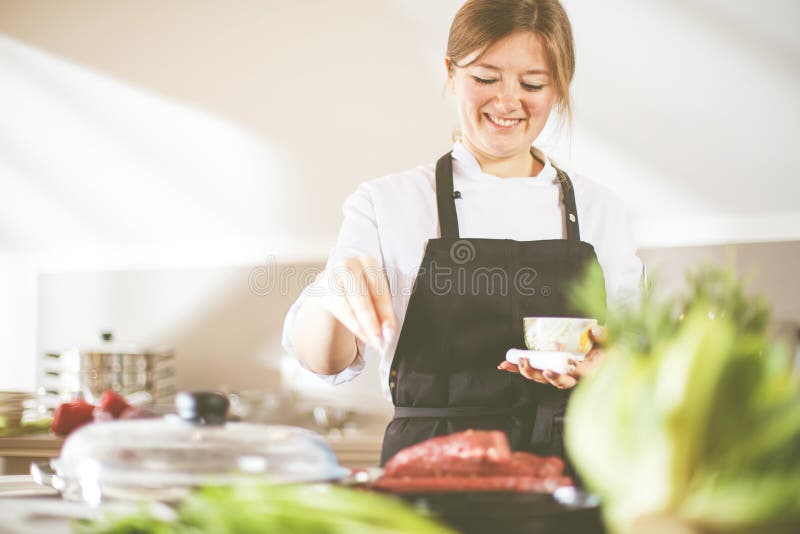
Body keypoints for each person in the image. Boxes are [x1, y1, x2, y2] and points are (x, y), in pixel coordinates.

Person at [282, 0, 642, 467]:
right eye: (486, 79)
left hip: (573, 475)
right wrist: (334, 291)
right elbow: (324, 359)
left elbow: (637, 357)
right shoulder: (387, 202)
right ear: (451, 72)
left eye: (532, 83)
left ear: (558, 87)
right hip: (431, 476)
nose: (508, 101)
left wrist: (609, 364)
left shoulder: (602, 211)